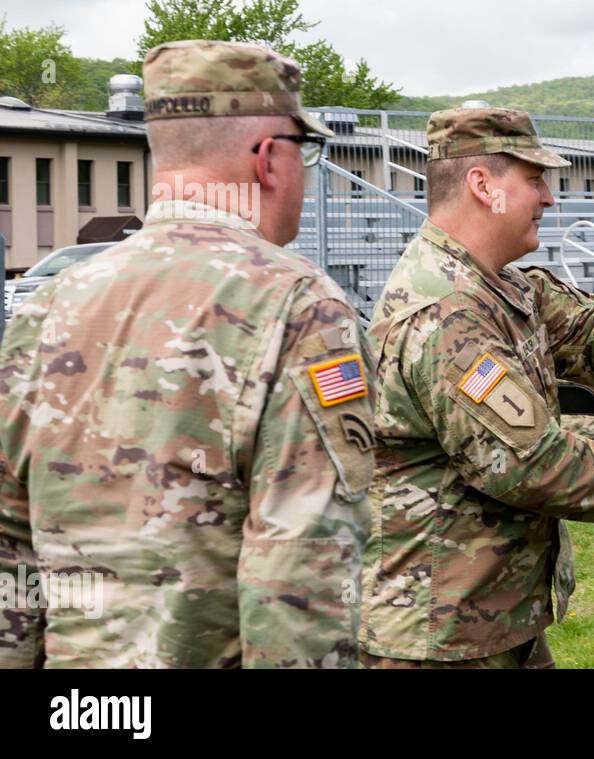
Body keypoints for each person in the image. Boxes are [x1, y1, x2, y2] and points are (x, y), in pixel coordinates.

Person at [0, 40, 372, 668]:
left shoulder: (46, 307)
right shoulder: (298, 304)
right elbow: (301, 572)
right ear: (269, 159)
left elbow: (10, 548)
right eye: (304, 150)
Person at [359, 105, 594, 669]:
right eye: (535, 180)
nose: (548, 198)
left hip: (491, 618)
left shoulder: (505, 287)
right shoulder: (446, 313)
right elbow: (528, 466)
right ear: (482, 185)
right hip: (437, 636)